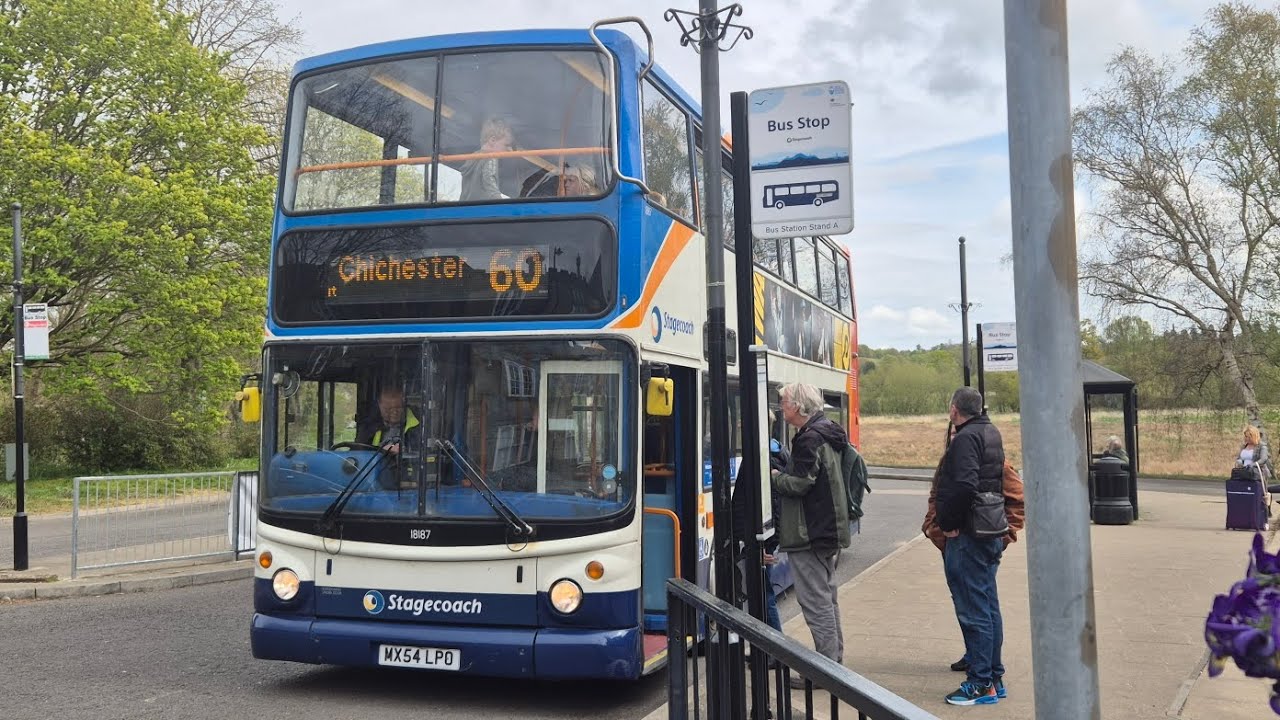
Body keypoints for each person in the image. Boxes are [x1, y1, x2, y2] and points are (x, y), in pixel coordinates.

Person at [922, 421, 1023, 697]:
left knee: (977, 609)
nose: (956, 438)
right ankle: (982, 664)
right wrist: (935, 529)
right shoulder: (952, 462)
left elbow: (1016, 500)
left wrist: (1003, 537)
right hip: (954, 545)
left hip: (973, 545)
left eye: (960, 434)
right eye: (953, 434)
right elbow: (937, 498)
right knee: (973, 605)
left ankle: (984, 678)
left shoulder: (992, 464)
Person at [770, 382, 850, 687]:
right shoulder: (826, 430)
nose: (782, 407)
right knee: (827, 598)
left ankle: (825, 672)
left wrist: (776, 477)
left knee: (815, 602)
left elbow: (801, 483)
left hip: (810, 532)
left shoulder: (809, 439)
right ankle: (834, 664)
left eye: (785, 402)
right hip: (827, 529)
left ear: (800, 406)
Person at [935, 387, 1006, 706]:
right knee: (988, 605)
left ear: (954, 410)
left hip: (968, 536)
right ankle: (994, 676)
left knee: (973, 609)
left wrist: (948, 523)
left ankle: (980, 683)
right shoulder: (990, 432)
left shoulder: (965, 438)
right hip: (989, 530)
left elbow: (964, 485)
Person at [730, 411, 788, 633]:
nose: (739, 425)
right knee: (761, 592)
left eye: (743, 422)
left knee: (764, 595)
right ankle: (768, 649)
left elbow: (770, 505)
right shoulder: (772, 451)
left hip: (762, 538)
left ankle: (774, 649)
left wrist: (762, 543)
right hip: (763, 536)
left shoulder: (762, 458)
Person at [460, 117, 515, 201]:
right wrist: (499, 203)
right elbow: (490, 182)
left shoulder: (472, 158)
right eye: (506, 145)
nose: (510, 149)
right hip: (482, 209)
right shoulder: (490, 157)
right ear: (492, 140)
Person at [355, 386, 419, 457]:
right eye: (388, 409)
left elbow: (421, 456)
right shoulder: (368, 427)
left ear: (404, 404)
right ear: (380, 405)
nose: (394, 412)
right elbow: (358, 454)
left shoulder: (419, 426)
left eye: (398, 408)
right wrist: (382, 451)